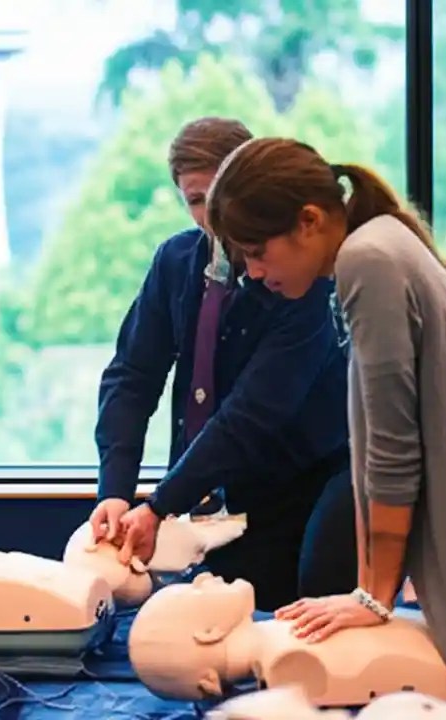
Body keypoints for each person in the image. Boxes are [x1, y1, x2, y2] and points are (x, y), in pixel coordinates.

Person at [200, 136, 446, 719]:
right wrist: (371, 591)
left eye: (256, 250)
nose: (254, 272)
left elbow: (395, 450)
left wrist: (374, 597)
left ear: (309, 220)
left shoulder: (366, 260)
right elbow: (378, 440)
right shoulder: (376, 245)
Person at [95, 118, 355, 612]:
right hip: (204, 502)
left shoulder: (301, 279)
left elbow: (251, 417)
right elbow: (132, 376)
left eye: (217, 196)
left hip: (293, 496)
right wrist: (116, 489)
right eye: (194, 200)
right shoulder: (175, 262)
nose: (210, 215)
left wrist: (158, 505)